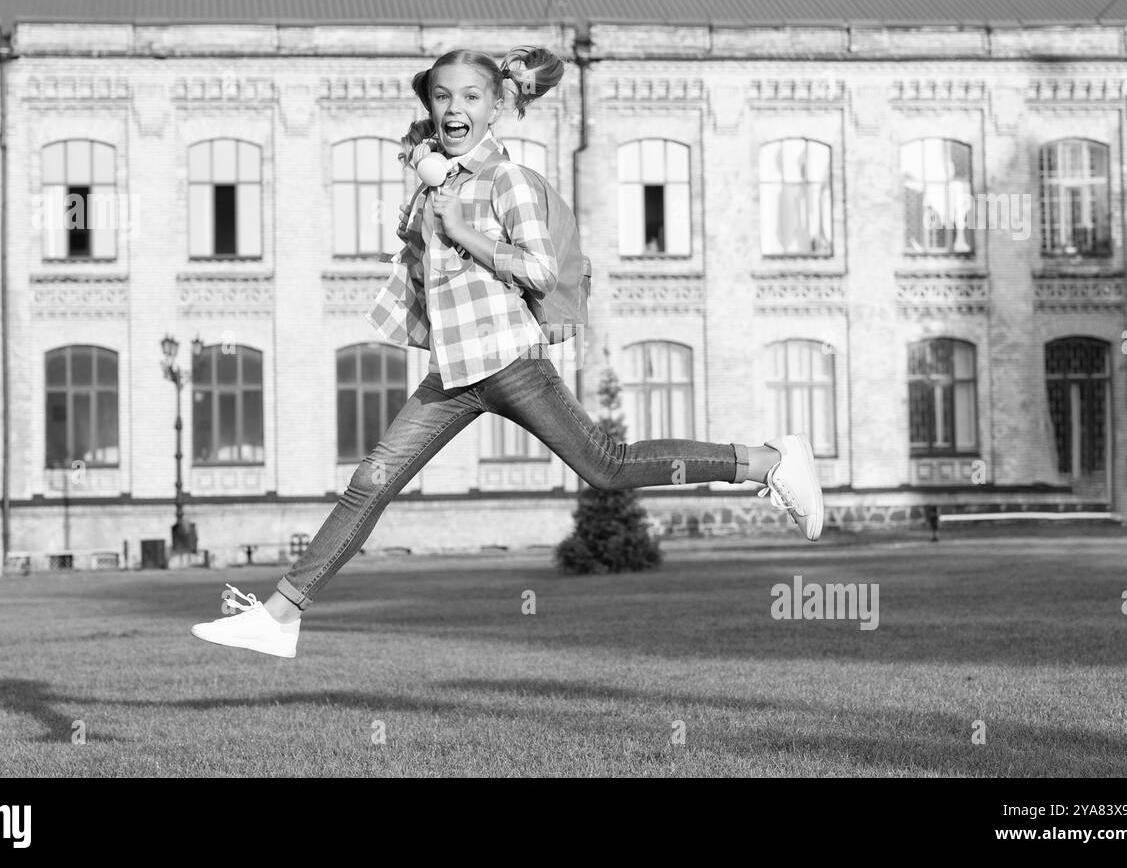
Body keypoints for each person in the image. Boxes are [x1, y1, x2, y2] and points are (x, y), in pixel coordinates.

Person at [191, 46, 824, 659]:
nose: (454, 107)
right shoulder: (435, 184)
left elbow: (542, 271)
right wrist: (423, 200)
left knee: (609, 468)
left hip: (511, 363)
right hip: (455, 372)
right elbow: (422, 259)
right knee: (371, 482)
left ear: (496, 106)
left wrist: (461, 231)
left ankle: (766, 461)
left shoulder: (509, 180)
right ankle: (280, 617)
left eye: (470, 96)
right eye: (442, 97)